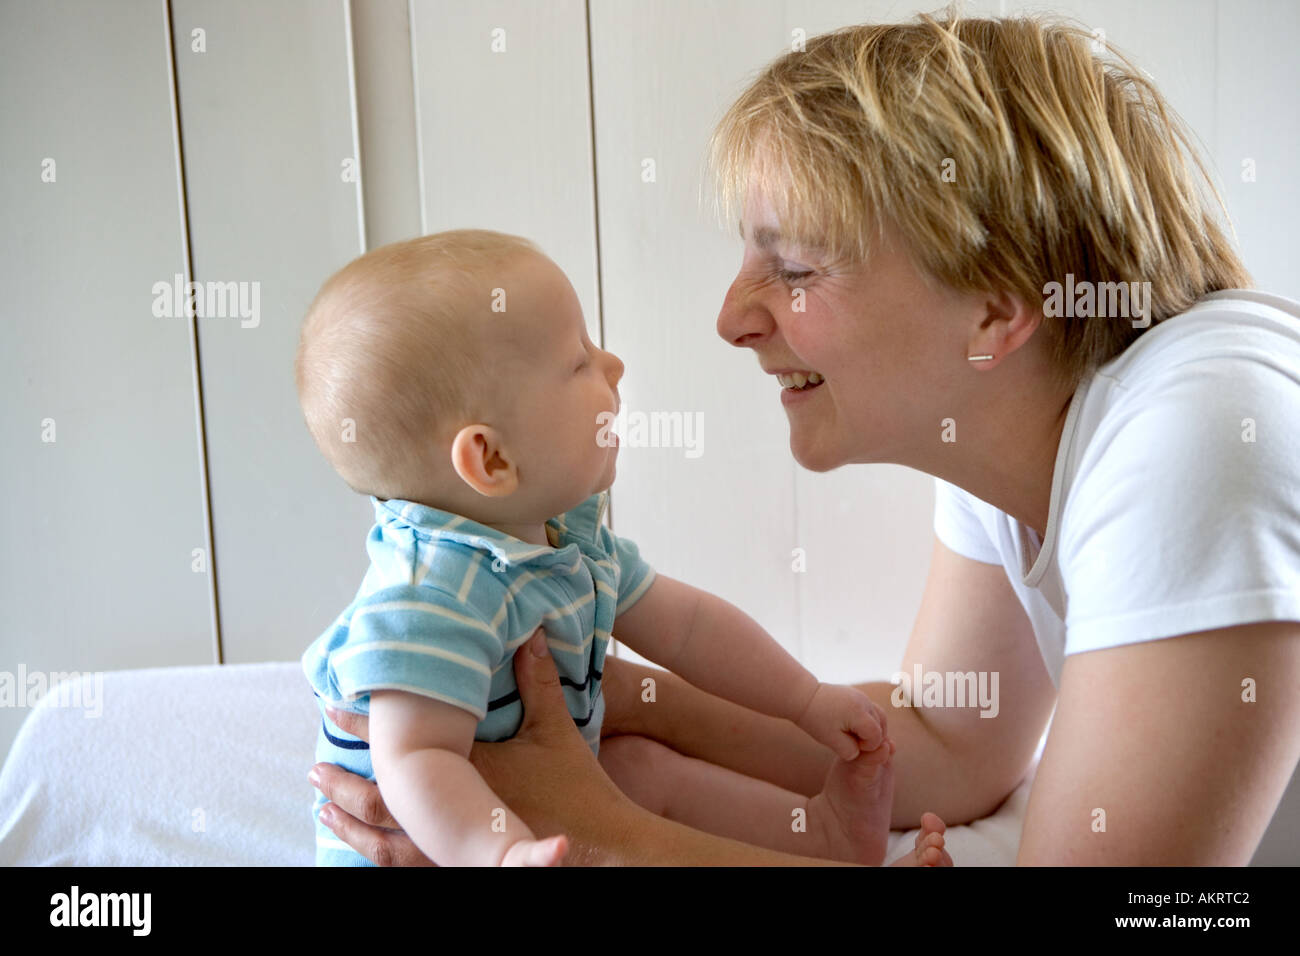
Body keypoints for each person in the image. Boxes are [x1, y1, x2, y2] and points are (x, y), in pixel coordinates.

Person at [310, 11, 1300, 865]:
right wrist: (614, 719)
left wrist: (598, 829)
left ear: (995, 312)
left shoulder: (1198, 436)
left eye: (791, 267)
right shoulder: (1031, 414)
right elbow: (949, 746)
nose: (732, 316)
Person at [295, 230, 949, 866]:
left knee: (637, 768)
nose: (614, 365)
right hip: (456, 845)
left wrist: (805, 699)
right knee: (620, 775)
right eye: (579, 361)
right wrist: (500, 851)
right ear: (490, 458)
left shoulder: (564, 540)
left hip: (542, 802)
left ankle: (826, 840)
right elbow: (414, 762)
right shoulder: (432, 594)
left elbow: (690, 628)